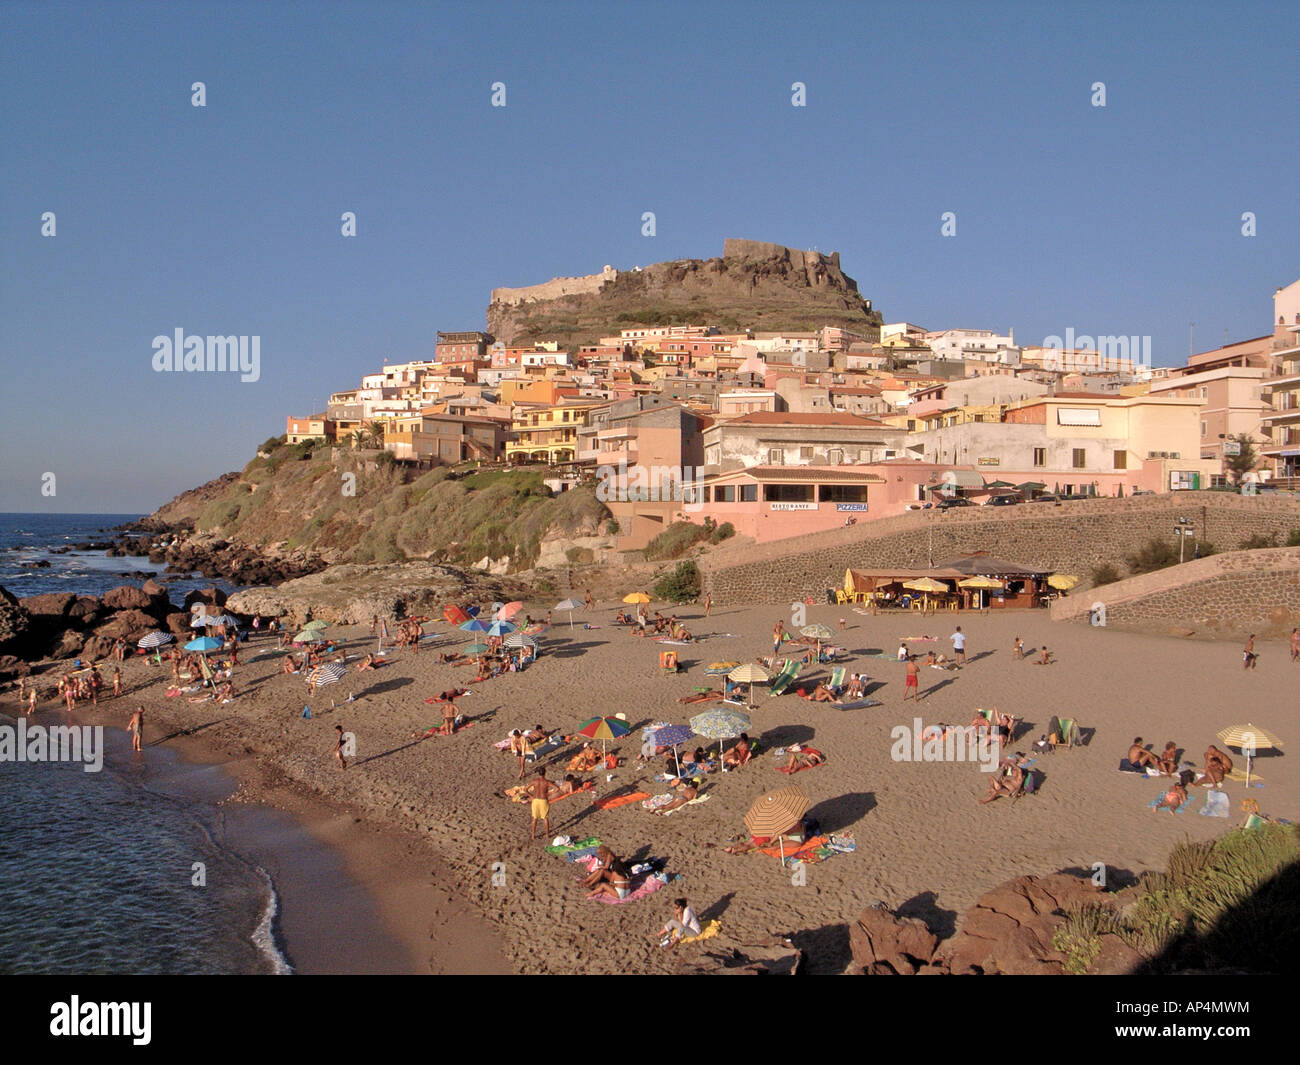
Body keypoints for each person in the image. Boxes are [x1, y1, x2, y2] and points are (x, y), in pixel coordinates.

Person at [525, 768, 557, 839]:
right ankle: (547, 835)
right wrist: (549, 793)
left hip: (535, 800)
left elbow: (525, 789)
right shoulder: (546, 782)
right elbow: (556, 789)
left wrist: (531, 796)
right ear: (545, 773)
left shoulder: (534, 781)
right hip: (543, 800)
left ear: (538, 773)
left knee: (534, 818)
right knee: (545, 818)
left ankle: (533, 835)